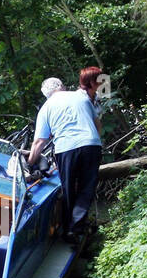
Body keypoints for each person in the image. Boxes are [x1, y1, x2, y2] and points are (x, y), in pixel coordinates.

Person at [29, 66, 103, 243]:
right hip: (91, 144)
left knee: (69, 188)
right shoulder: (80, 96)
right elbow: (98, 125)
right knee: (86, 187)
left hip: (66, 148)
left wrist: (31, 161)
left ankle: (68, 228)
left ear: (46, 94)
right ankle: (75, 228)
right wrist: (93, 142)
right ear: (61, 86)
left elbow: (40, 141)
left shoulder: (46, 108)